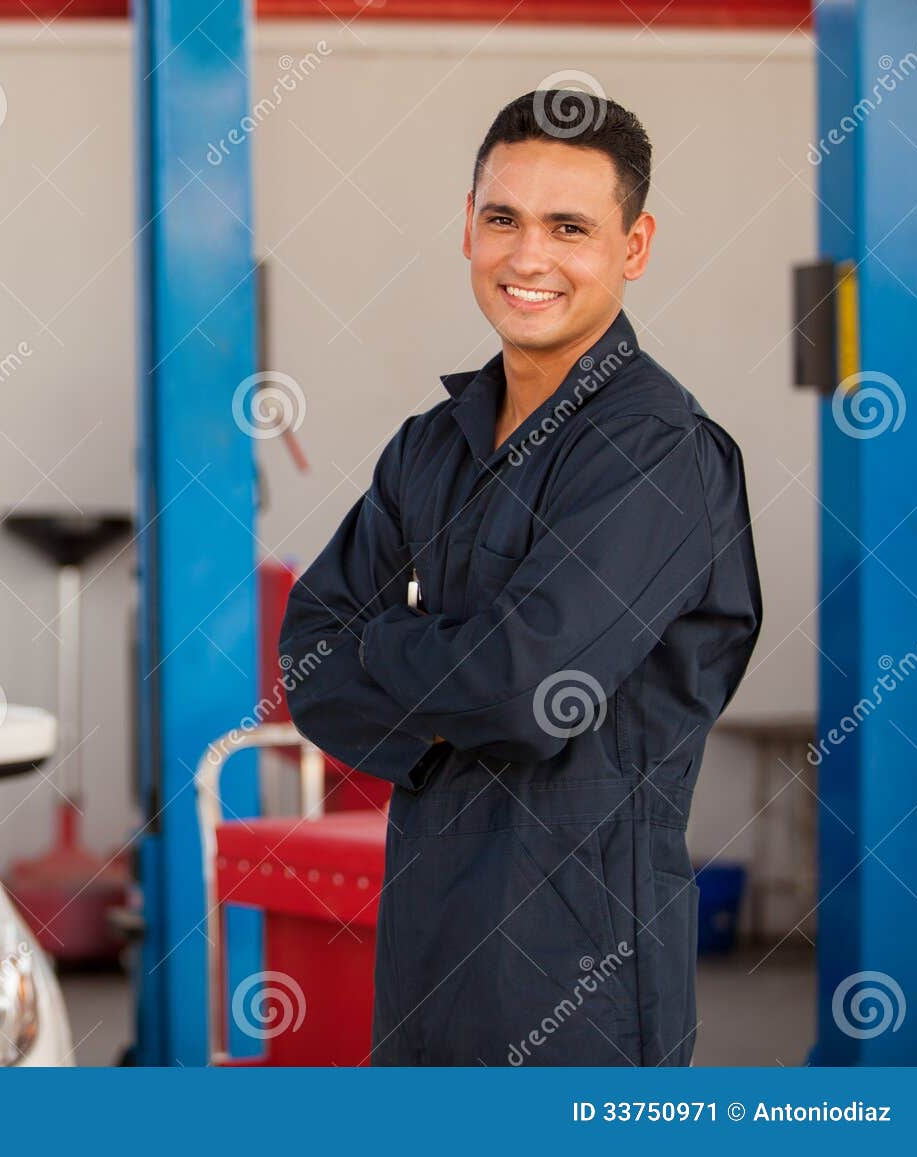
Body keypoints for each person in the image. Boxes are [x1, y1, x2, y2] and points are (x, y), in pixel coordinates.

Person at [279, 89, 763, 1066]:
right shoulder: (430, 446)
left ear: (633, 246)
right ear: (467, 228)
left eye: (568, 227)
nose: (527, 257)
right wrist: (457, 678)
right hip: (418, 958)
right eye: (503, 218)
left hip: (578, 973)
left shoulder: (654, 455)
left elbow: (532, 690)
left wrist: (396, 659)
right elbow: (310, 662)